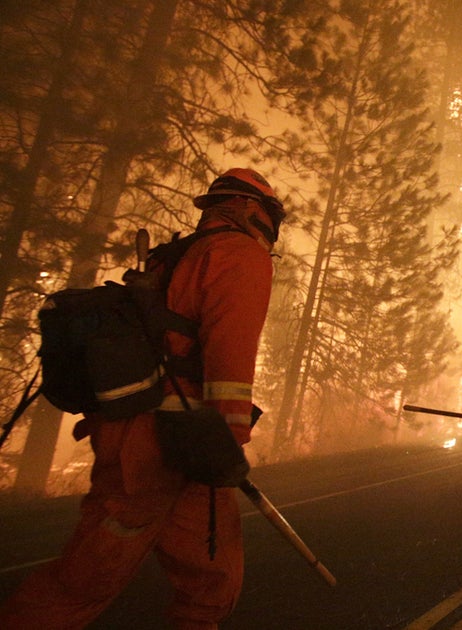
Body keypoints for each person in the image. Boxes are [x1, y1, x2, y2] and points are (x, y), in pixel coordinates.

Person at [0, 168, 285, 629]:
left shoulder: (169, 257)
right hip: (156, 445)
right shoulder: (239, 254)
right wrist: (228, 441)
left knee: (211, 577)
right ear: (255, 211)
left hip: (171, 440)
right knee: (86, 579)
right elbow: (230, 355)